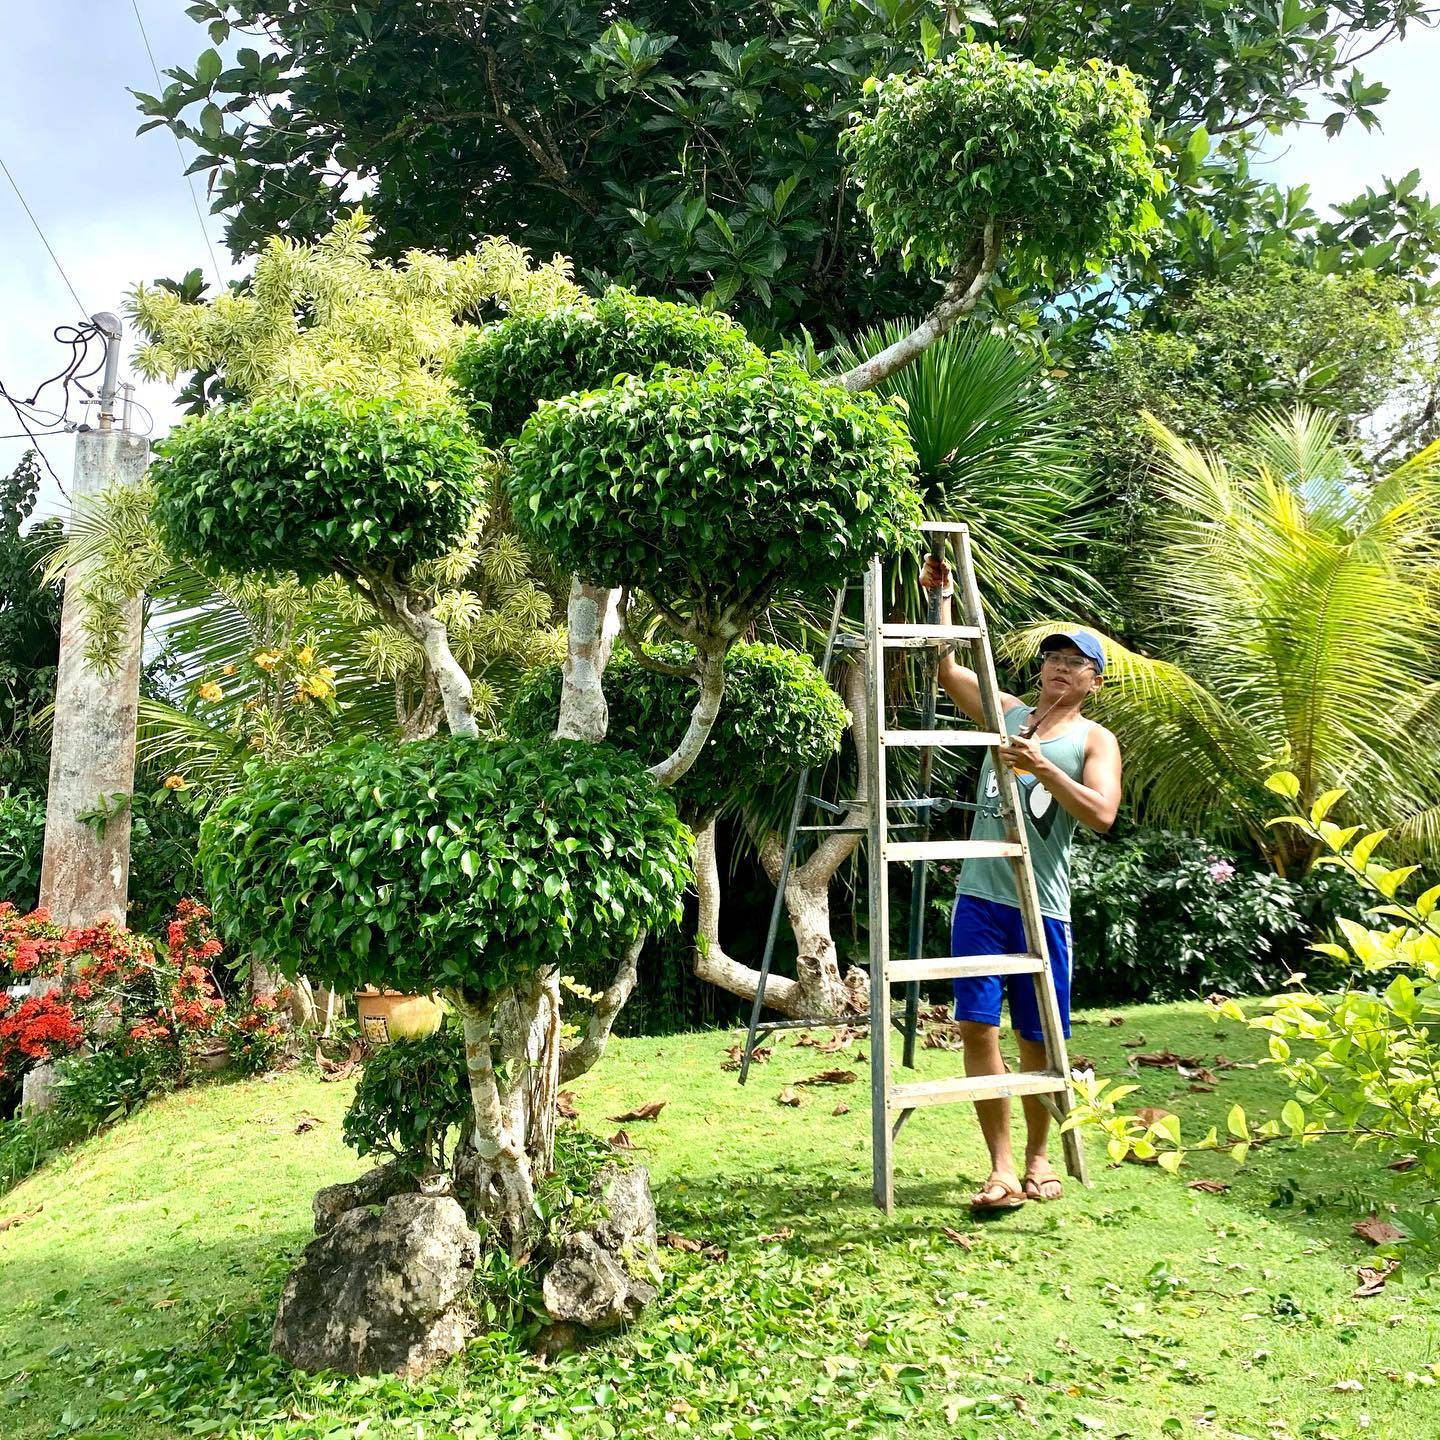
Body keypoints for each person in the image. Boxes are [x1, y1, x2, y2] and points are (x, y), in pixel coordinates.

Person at [919, 555, 1122, 1214]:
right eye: (1052, 657)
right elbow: (948, 670)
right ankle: (1000, 1168)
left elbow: (1102, 815)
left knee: (1039, 1041)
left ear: (1093, 680)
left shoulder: (1095, 739)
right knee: (977, 1030)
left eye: (1075, 661)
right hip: (979, 897)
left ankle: (1039, 1159)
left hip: (1044, 908)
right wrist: (943, 597)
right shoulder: (1005, 713)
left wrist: (1043, 768)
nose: (1060, 666)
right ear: (1039, 670)